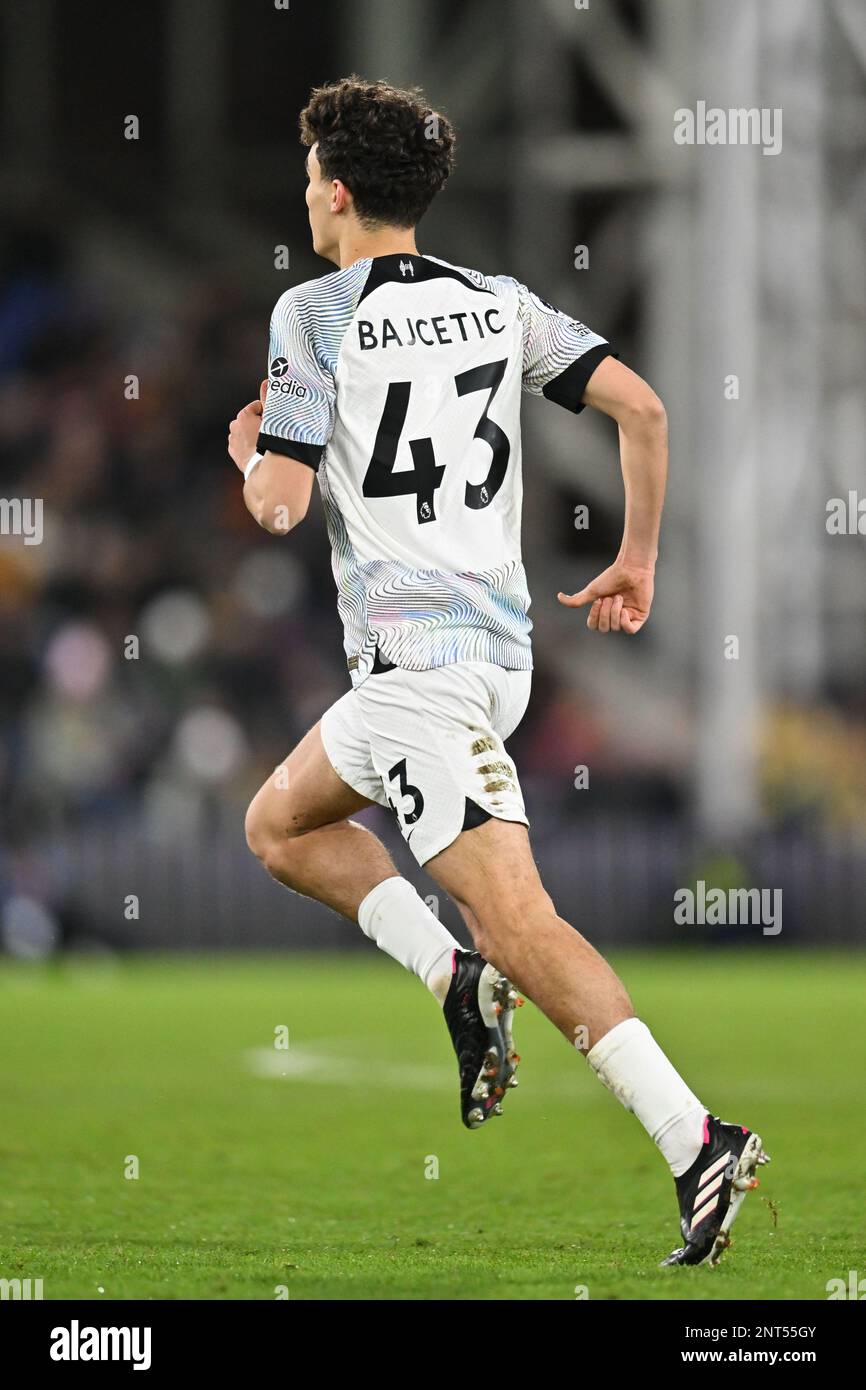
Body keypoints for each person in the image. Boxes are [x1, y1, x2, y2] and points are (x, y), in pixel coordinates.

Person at [228, 76, 768, 1267]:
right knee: (280, 823)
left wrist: (249, 451)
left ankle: (696, 1138)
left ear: (337, 189)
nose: (305, 189)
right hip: (481, 660)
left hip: (422, 675)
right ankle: (450, 975)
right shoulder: (498, 303)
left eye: (311, 169)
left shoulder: (313, 313)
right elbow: (643, 410)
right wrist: (634, 558)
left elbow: (276, 506)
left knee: (521, 918)